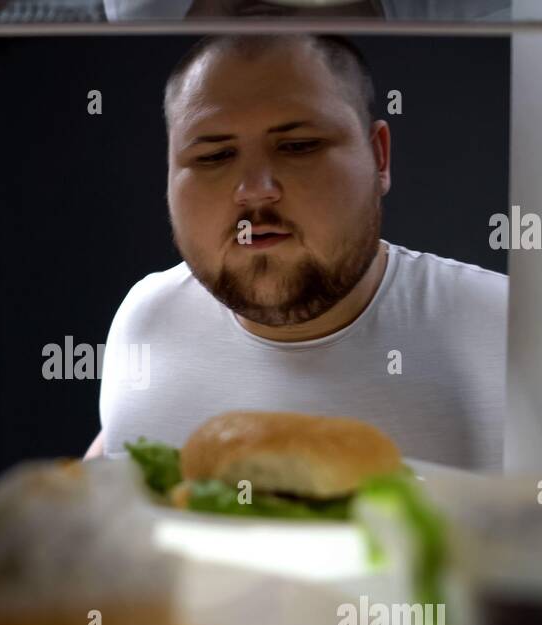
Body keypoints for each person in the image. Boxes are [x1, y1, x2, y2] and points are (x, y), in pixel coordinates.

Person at [88, 34, 507, 471]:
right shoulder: (146, 316)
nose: (254, 191)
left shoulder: (505, 330)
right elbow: (113, 476)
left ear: (379, 157)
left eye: (298, 146)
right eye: (215, 155)